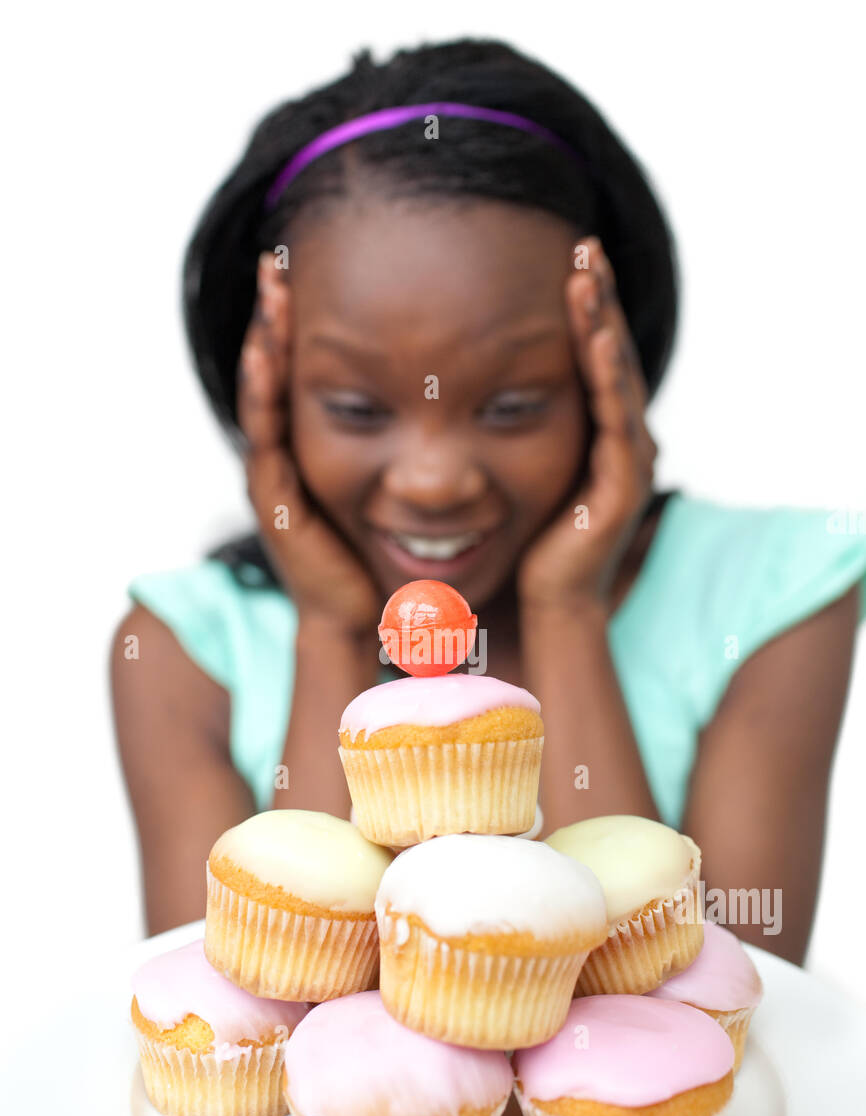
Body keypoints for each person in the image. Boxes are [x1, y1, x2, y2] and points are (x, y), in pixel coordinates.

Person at [111, 38, 866, 964]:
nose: (435, 480)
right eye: (355, 406)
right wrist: (332, 629)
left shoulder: (777, 596)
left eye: (513, 405)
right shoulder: (182, 655)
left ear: (608, 373)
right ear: (265, 395)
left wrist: (567, 611)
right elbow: (266, 1013)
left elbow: (724, 1013)